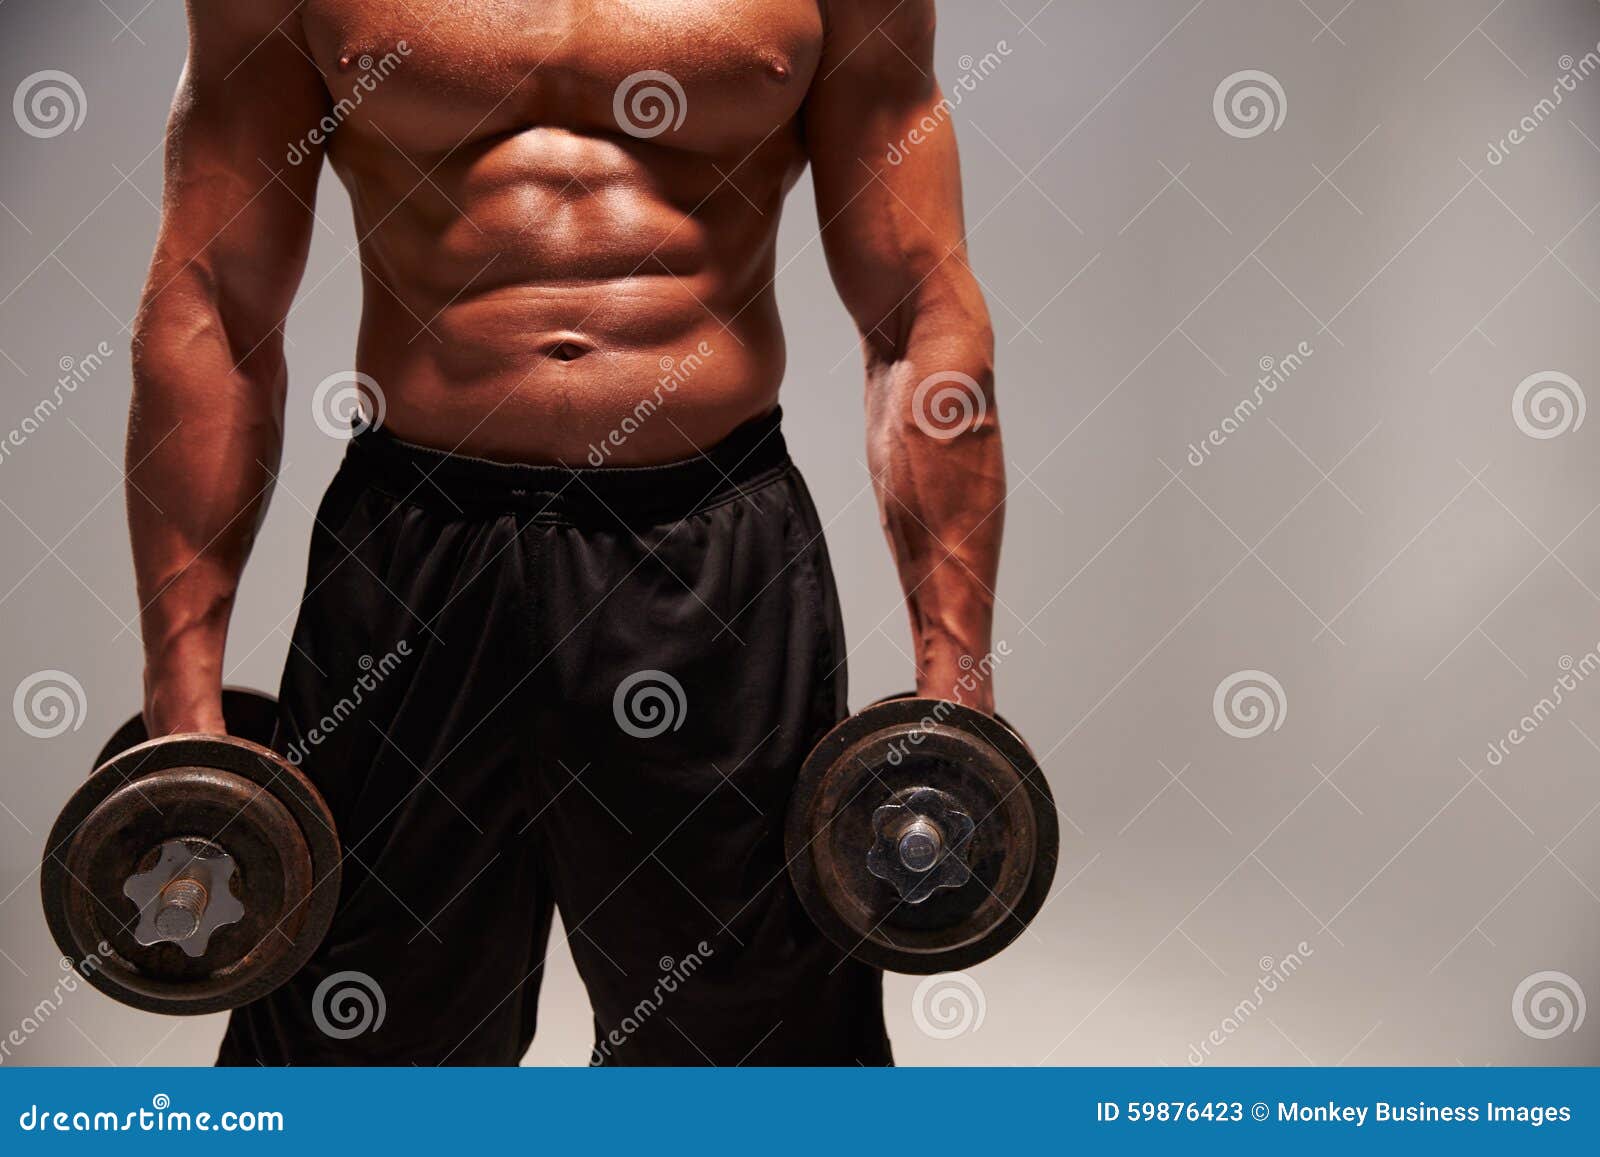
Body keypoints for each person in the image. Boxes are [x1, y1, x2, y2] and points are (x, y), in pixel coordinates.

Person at [128, 0, 1002, 1065]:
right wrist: (180, 701)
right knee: (356, 1055)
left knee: (757, 1058)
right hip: (417, 559)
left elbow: (917, 308)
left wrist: (956, 672)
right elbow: (213, 303)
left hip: (712, 567)